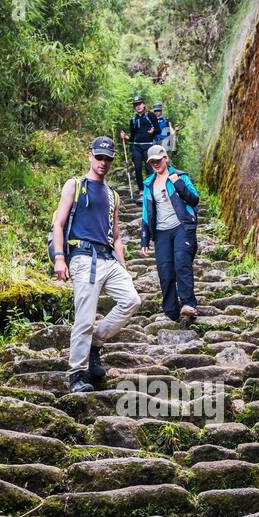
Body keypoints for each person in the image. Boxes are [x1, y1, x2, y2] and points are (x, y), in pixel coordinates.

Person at [51, 137, 141, 393]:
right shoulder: (75, 185)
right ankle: (77, 374)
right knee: (85, 318)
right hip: (83, 257)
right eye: (99, 157)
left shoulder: (113, 195)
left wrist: (123, 266)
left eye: (108, 159)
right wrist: (60, 257)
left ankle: (95, 343)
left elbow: (116, 236)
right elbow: (59, 222)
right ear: (89, 155)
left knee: (132, 300)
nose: (103, 162)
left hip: (108, 258)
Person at [140, 144, 200, 322]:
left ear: (165, 158)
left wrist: (177, 183)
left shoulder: (180, 176)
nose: (156, 164)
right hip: (161, 232)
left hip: (182, 226)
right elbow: (146, 211)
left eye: (158, 160)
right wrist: (144, 238)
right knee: (165, 271)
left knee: (181, 263)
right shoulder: (149, 183)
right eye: (152, 162)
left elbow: (194, 199)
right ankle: (171, 311)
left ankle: (189, 304)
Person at [122, 95, 159, 194]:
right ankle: (141, 190)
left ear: (143, 105)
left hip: (148, 146)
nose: (138, 106)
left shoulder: (151, 116)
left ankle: (150, 188)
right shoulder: (133, 120)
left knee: (149, 168)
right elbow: (133, 137)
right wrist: (125, 137)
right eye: (136, 105)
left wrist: (153, 130)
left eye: (139, 104)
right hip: (136, 146)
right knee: (137, 168)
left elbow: (158, 129)